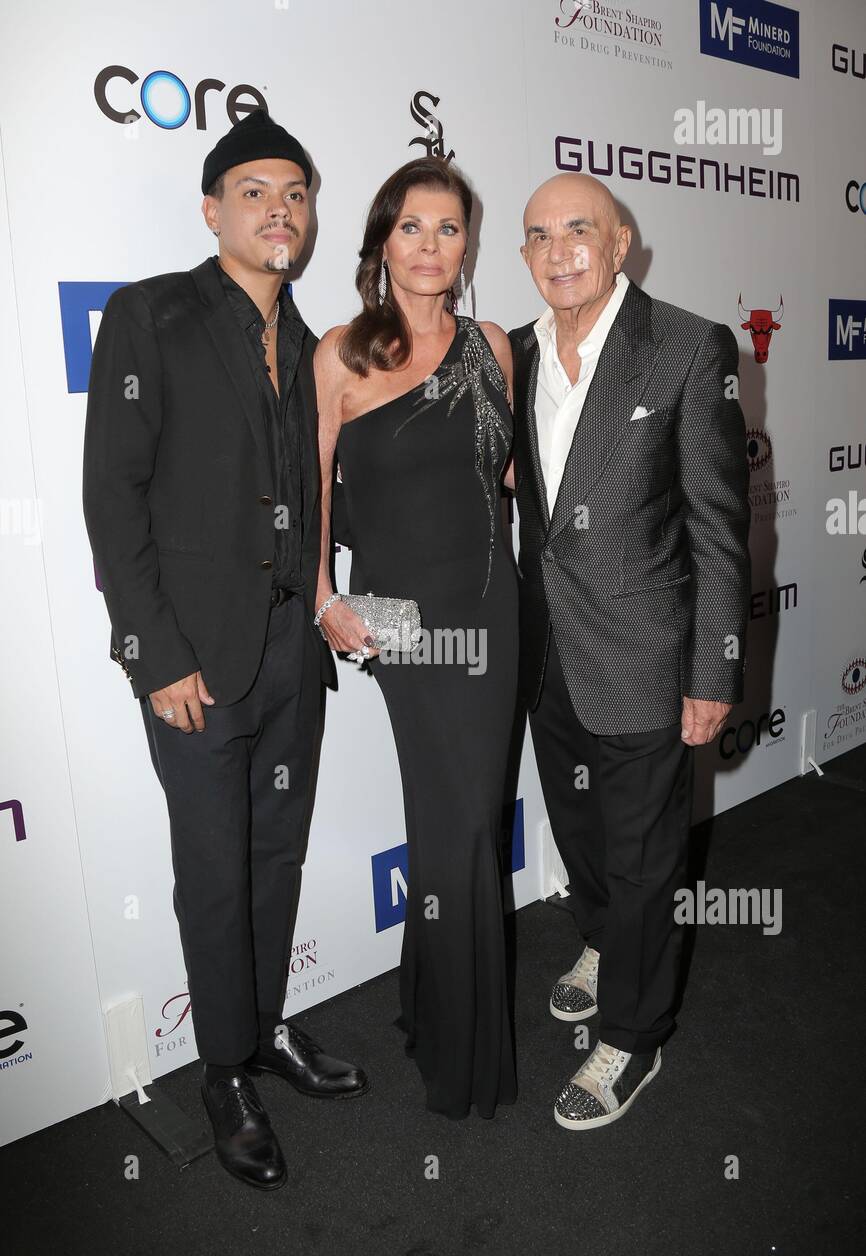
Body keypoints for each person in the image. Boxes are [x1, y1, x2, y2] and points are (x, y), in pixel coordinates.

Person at [82, 109, 368, 1193]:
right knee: (212, 874)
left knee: (272, 859)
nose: (277, 209)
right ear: (213, 210)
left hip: (293, 655)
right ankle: (223, 1074)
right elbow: (112, 493)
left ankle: (262, 1031)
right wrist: (154, 654)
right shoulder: (149, 315)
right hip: (193, 660)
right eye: (254, 191)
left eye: (294, 193)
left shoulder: (311, 341)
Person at [509, 172, 750, 1130]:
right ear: (522, 255)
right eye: (538, 235)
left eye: (580, 229)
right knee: (581, 835)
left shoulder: (688, 346)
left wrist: (713, 670)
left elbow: (722, 529)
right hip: (546, 651)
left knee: (650, 859)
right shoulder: (514, 354)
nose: (559, 248)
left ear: (622, 243)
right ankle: (607, 939)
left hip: (647, 652)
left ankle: (633, 1039)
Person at [313, 157, 519, 1120]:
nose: (430, 245)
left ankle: (435, 1009)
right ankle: (456, 1044)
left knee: (462, 827)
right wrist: (322, 598)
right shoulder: (340, 354)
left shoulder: (490, 345)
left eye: (447, 228)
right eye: (411, 227)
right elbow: (313, 496)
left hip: (491, 610)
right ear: (381, 241)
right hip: (398, 619)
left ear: (466, 244)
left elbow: (505, 479)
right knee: (456, 827)